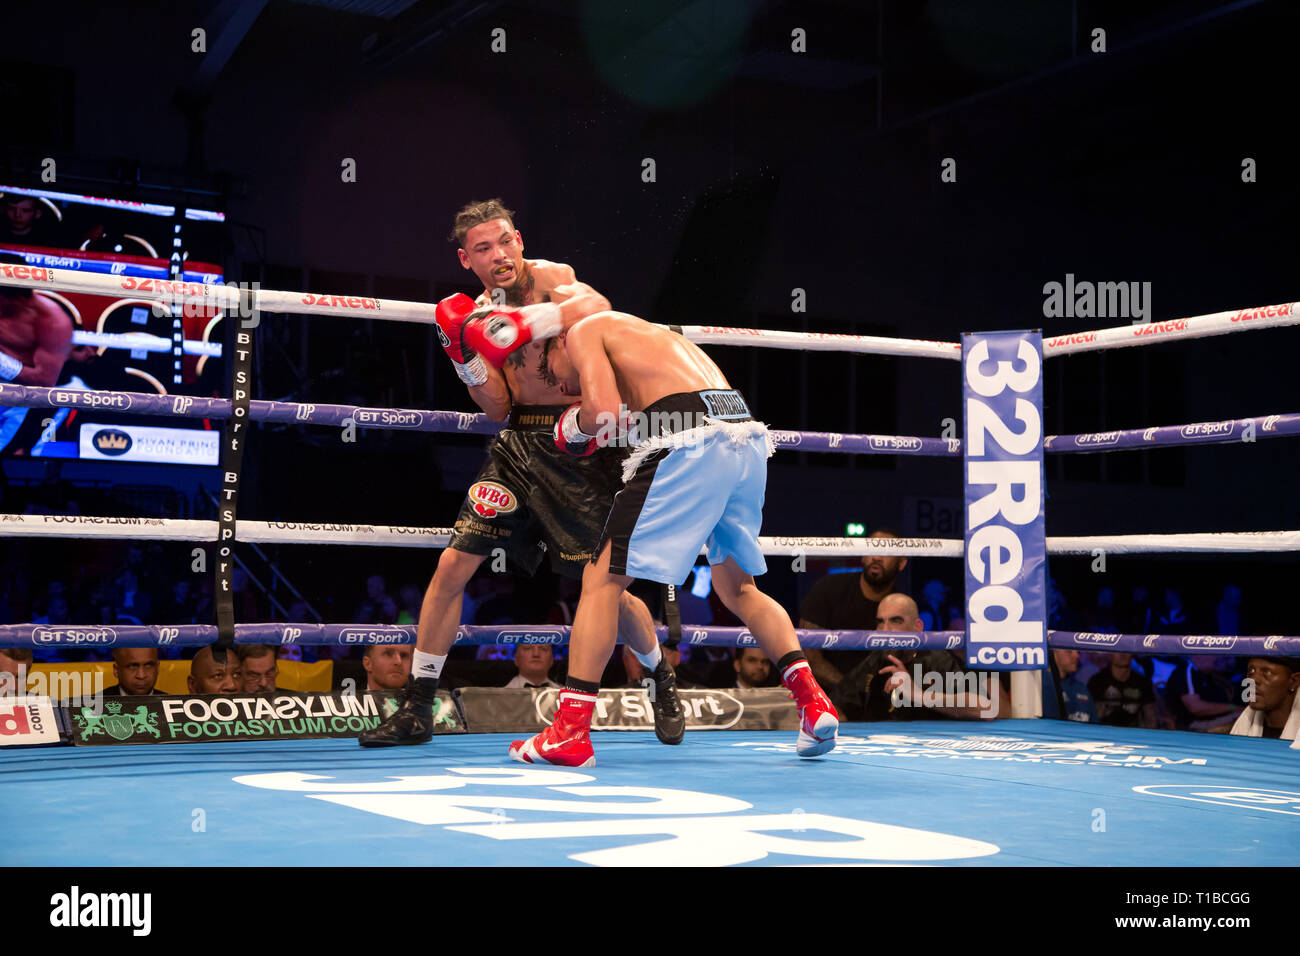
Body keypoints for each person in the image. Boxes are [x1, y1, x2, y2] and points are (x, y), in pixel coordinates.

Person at [360, 199, 683, 748]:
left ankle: (660, 681)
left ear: (520, 240)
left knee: (605, 588)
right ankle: (418, 707)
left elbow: (598, 307)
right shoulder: (475, 314)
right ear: (467, 260)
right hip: (517, 446)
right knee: (453, 564)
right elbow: (495, 407)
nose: (499, 255)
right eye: (484, 249)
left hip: (583, 442)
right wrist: (464, 353)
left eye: (505, 241)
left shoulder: (552, 279)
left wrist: (524, 323)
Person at [501, 307, 839, 766]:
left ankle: (569, 733)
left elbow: (601, 413)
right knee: (738, 587)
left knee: (601, 582)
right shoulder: (650, 340)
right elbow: (624, 415)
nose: (564, 388)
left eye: (555, 375)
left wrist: (571, 430)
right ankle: (813, 703)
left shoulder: (582, 330)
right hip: (744, 437)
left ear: (558, 343)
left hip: (689, 437)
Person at [839, 593, 1002, 721]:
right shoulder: (876, 659)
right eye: (880, 622)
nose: (885, 629)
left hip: (933, 752)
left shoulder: (937, 659)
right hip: (885, 749)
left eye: (896, 621)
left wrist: (919, 695)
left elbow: (986, 709)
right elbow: (838, 704)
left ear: (917, 627)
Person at [797, 529, 906, 691]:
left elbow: (902, 658)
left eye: (885, 551)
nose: (876, 557)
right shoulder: (829, 588)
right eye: (871, 550)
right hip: (824, 694)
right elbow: (809, 656)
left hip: (877, 696)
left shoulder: (901, 606)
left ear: (901, 563)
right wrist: (851, 693)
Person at [1165, 655, 1242, 732]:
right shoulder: (1186, 672)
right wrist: (1232, 707)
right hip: (1196, 724)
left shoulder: (1209, 673)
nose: (1218, 658)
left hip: (1216, 718)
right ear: (1198, 657)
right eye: (1214, 655)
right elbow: (1195, 708)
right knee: (1245, 718)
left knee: (1247, 714)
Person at [1231, 656, 1300, 740]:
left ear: (1294, 682)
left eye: (1267, 672)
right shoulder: (1236, 731)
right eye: (1251, 671)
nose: (1253, 680)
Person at [1086, 652, 1156, 728]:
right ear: (1109, 654)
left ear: (1133, 654)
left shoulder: (1143, 683)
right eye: (1117, 650)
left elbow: (1150, 718)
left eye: (1127, 650)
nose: (1123, 654)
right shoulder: (1097, 681)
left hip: (1134, 734)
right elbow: (1090, 715)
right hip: (1103, 733)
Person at [1042, 647, 1096, 723]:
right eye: (1069, 651)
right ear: (1053, 653)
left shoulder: (1081, 688)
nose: (1077, 655)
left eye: (1077, 651)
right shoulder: (1040, 686)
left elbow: (1095, 724)